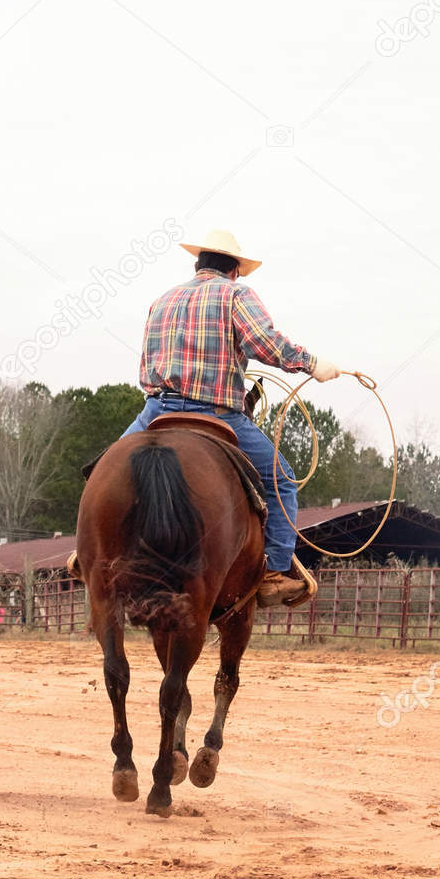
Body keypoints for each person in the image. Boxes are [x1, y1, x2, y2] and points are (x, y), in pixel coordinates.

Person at [121, 228, 343, 606]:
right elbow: (265, 343)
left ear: (197, 264)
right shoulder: (237, 295)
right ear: (236, 270)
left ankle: (89, 551)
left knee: (105, 471)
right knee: (282, 480)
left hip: (157, 409)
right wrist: (311, 363)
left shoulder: (162, 299)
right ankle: (274, 570)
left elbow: (146, 362)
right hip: (217, 414)